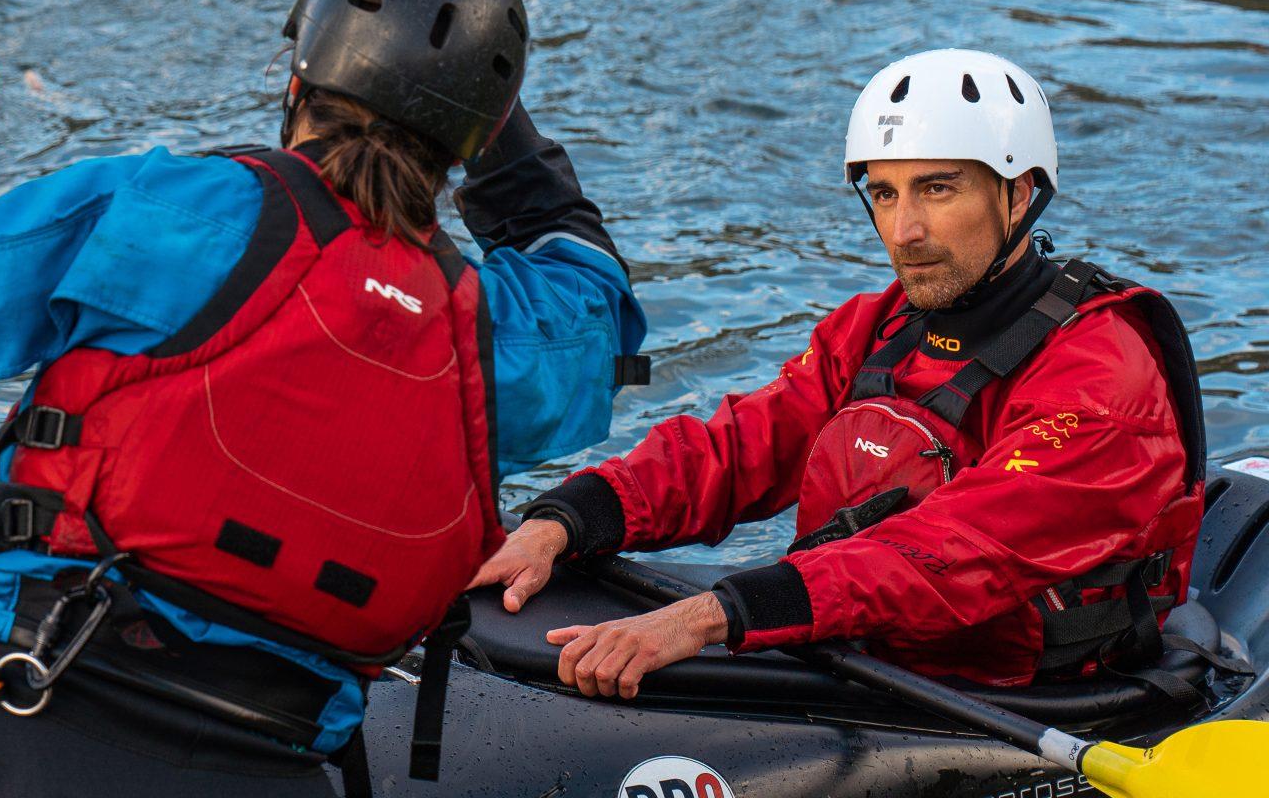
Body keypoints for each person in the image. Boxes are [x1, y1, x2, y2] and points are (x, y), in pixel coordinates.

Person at [0, 0, 647, 798]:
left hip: (10, 733)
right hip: (274, 769)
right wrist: (478, 111)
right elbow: (594, 292)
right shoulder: (497, 331)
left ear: (296, 77)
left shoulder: (171, 214)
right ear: (475, 132)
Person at [475, 48, 1206, 701]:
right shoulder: (875, 327)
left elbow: (951, 554)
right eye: (884, 194)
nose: (903, 231)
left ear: (1019, 194)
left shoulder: (1105, 375)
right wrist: (563, 520)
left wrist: (713, 614)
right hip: (875, 653)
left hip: (1024, 692)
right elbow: (734, 448)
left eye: (938, 189)